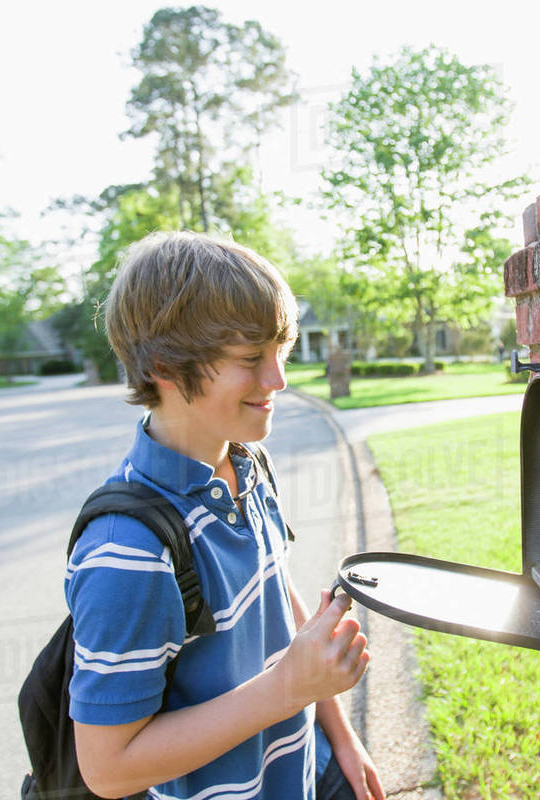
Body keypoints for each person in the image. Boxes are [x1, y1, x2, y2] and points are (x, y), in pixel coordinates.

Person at [66, 231, 383, 800]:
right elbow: (108, 768)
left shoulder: (246, 462)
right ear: (165, 365)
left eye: (280, 352)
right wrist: (288, 688)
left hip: (306, 772)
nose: (278, 380)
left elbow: (276, 598)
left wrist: (341, 735)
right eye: (249, 359)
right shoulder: (127, 549)